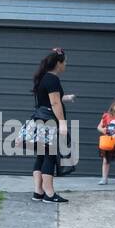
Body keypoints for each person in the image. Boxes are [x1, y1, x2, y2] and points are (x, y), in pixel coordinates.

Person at [30, 48, 74, 204]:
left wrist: (65, 98)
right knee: (50, 155)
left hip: (40, 120)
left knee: (41, 155)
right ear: (58, 63)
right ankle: (49, 193)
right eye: (65, 62)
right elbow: (54, 103)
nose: (66, 65)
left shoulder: (44, 78)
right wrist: (62, 123)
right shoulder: (53, 79)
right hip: (50, 122)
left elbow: (48, 100)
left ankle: (38, 192)